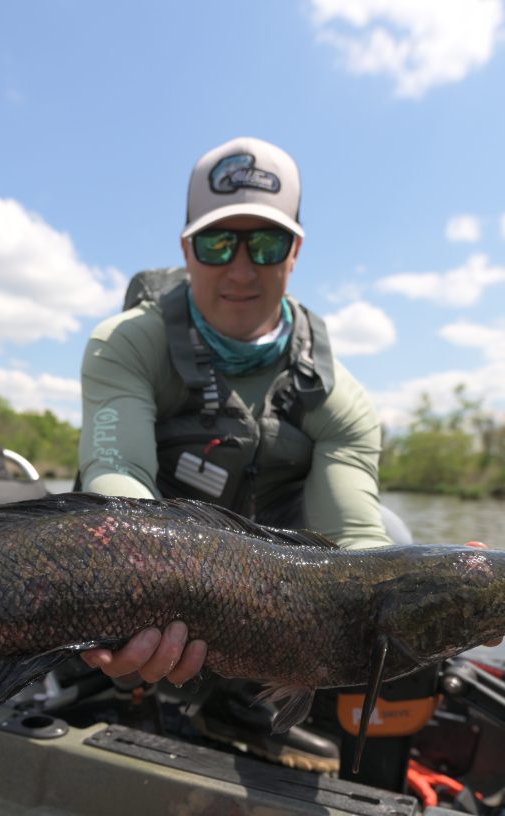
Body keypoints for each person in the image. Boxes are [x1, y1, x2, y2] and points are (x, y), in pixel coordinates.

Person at [74, 136, 399, 770]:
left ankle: (250, 695)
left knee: (398, 532)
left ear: (296, 251)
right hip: (159, 572)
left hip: (278, 592)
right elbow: (116, 472)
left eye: (266, 244)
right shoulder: (127, 345)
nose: (242, 270)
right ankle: (137, 680)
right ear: (187, 249)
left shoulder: (340, 398)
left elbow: (358, 538)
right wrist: (134, 589)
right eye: (219, 243)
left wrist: (427, 592)